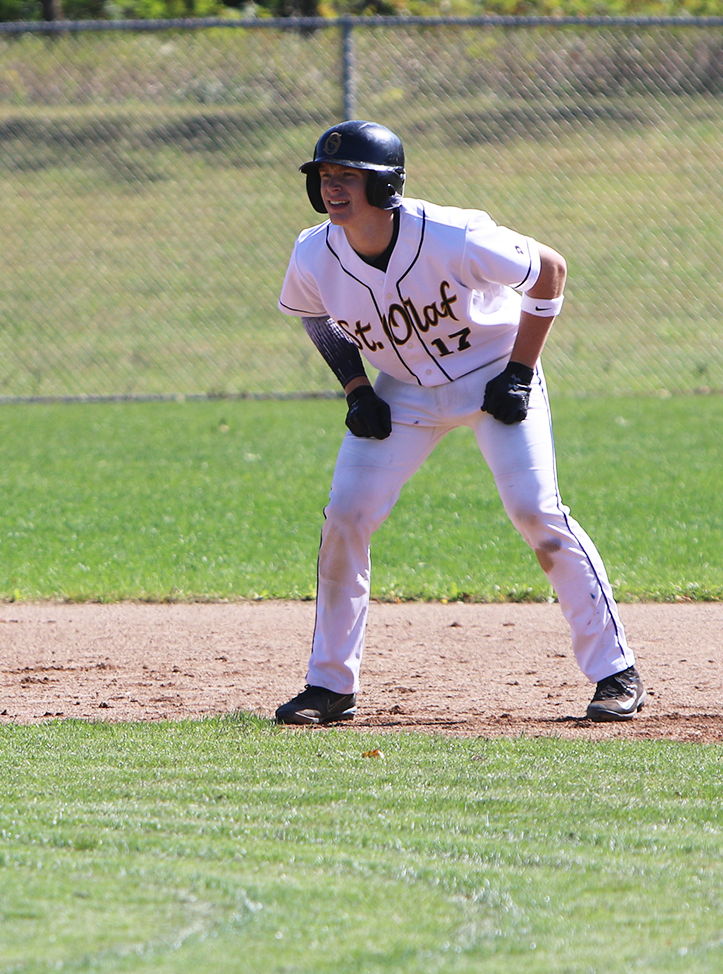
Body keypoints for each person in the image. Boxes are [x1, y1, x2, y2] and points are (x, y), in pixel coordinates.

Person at [273, 120, 643, 725]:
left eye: (349, 176)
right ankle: (330, 685)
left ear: (385, 184)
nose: (333, 187)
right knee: (346, 514)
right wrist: (357, 387)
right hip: (404, 391)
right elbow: (314, 315)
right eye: (325, 176)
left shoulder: (453, 234)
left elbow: (549, 270)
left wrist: (521, 371)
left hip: (494, 372)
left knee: (536, 513)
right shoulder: (315, 251)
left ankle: (615, 672)